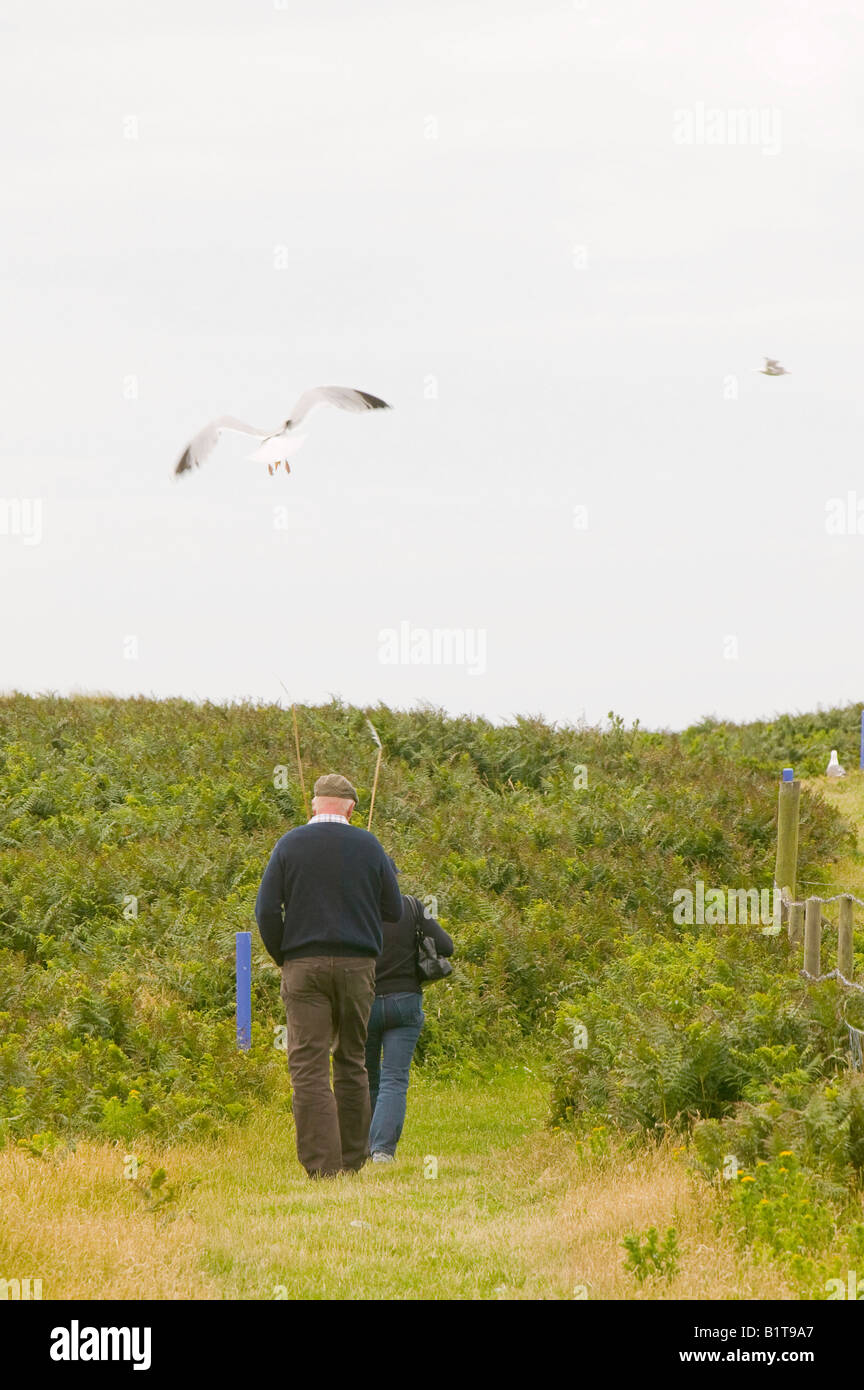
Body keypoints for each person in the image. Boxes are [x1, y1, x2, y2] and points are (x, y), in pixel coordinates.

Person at [255, 772, 402, 1179]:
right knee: (353, 1060)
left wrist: (283, 954)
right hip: (358, 968)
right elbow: (395, 910)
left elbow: (266, 910)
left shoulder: (289, 844)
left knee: (309, 1065)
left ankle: (323, 1168)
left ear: (314, 804)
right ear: (351, 808)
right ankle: (353, 1161)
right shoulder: (369, 846)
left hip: (304, 965)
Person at [366, 893, 454, 1163]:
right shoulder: (413, 906)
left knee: (365, 1076)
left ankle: (361, 1147)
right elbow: (446, 946)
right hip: (404, 1001)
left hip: (364, 1003)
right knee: (395, 1077)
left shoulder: (356, 907)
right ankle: (381, 1150)